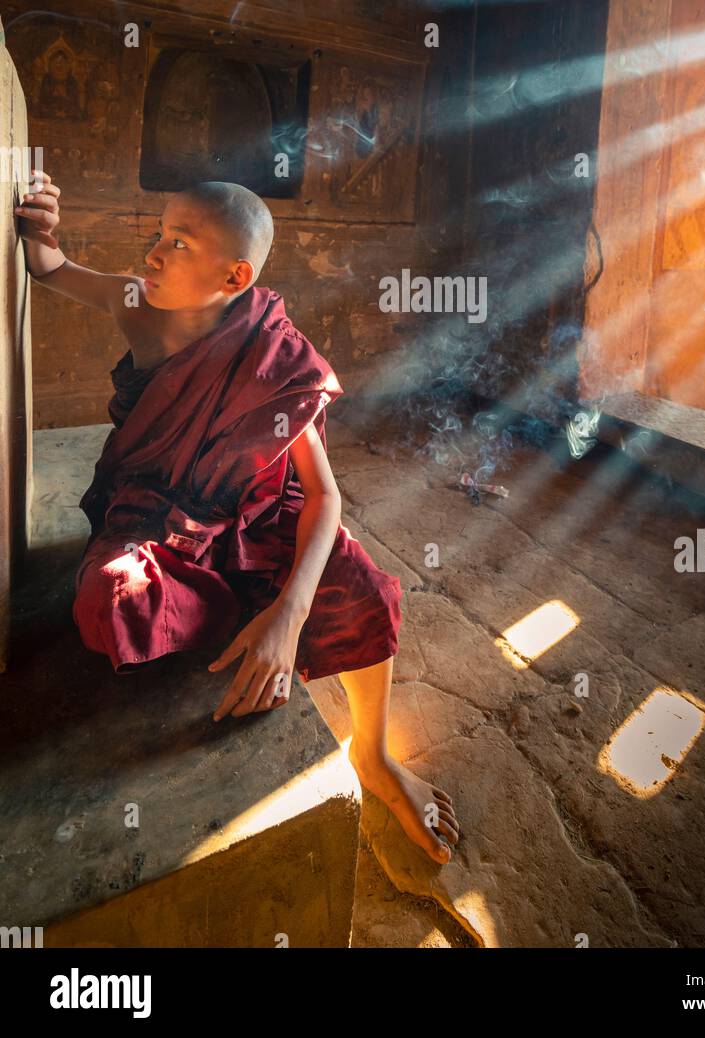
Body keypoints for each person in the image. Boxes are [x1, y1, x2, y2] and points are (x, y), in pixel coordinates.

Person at [15, 171, 459, 865]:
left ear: (235, 275)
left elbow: (324, 497)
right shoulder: (137, 306)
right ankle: (243, 627)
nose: (153, 253)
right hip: (158, 517)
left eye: (179, 243)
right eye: (158, 235)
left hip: (252, 519)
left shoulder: (274, 355)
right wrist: (39, 228)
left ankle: (371, 755)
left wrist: (289, 617)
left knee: (363, 587)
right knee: (107, 602)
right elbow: (52, 268)